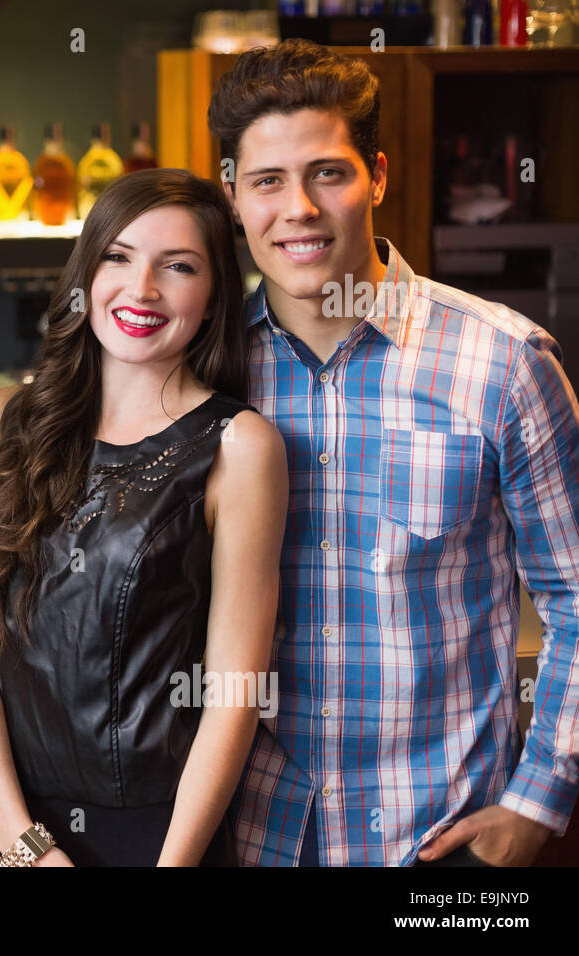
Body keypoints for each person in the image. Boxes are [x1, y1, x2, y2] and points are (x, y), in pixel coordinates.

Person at [208, 39, 579, 866]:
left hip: (439, 842)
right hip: (252, 836)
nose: (299, 208)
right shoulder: (199, 370)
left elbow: (576, 597)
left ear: (376, 176)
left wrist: (536, 802)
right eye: (267, 181)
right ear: (232, 196)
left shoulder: (505, 364)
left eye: (327, 174)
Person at [0, 168, 288, 866]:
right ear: (85, 274)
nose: (142, 288)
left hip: (160, 838)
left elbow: (235, 695)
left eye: (178, 266)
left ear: (214, 296)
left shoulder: (240, 445)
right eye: (119, 257)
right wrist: (22, 842)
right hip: (12, 828)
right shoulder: (1, 423)